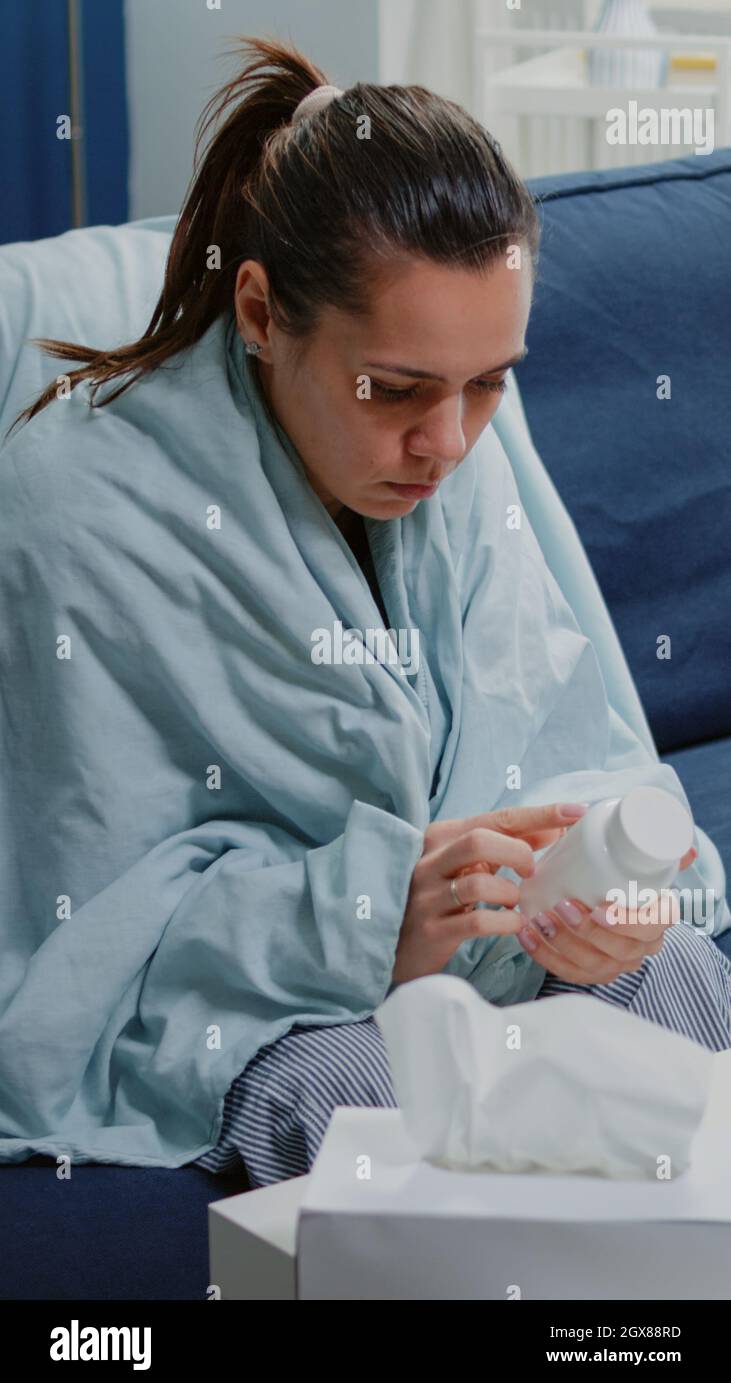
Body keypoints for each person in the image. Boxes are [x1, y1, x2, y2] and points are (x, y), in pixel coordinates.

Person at [1, 38, 729, 1181]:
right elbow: (77, 933)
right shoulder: (78, 511)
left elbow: (564, 743)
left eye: (489, 382)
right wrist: (360, 915)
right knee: (369, 1100)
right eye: (392, 390)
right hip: (264, 1006)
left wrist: (607, 888)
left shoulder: (460, 456)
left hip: (486, 952)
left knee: (679, 974)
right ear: (259, 309)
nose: (446, 444)